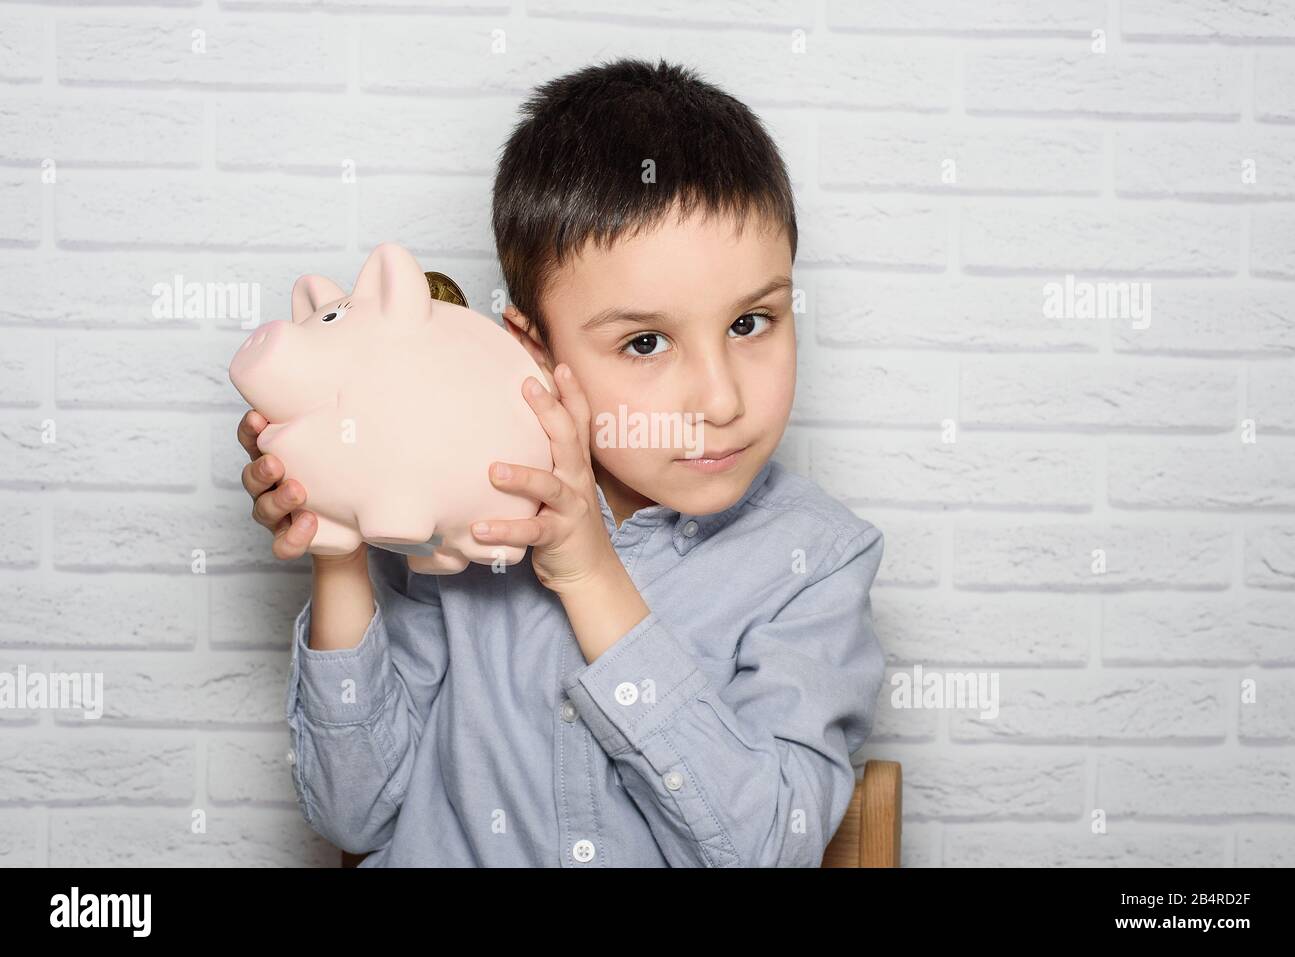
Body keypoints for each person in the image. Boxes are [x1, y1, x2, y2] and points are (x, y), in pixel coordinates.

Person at [236, 57, 886, 867]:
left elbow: (766, 847)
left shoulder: (814, 564)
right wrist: (338, 551)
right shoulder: (459, 527)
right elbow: (355, 814)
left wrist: (590, 575)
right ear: (532, 349)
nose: (721, 399)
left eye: (752, 322)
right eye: (646, 342)